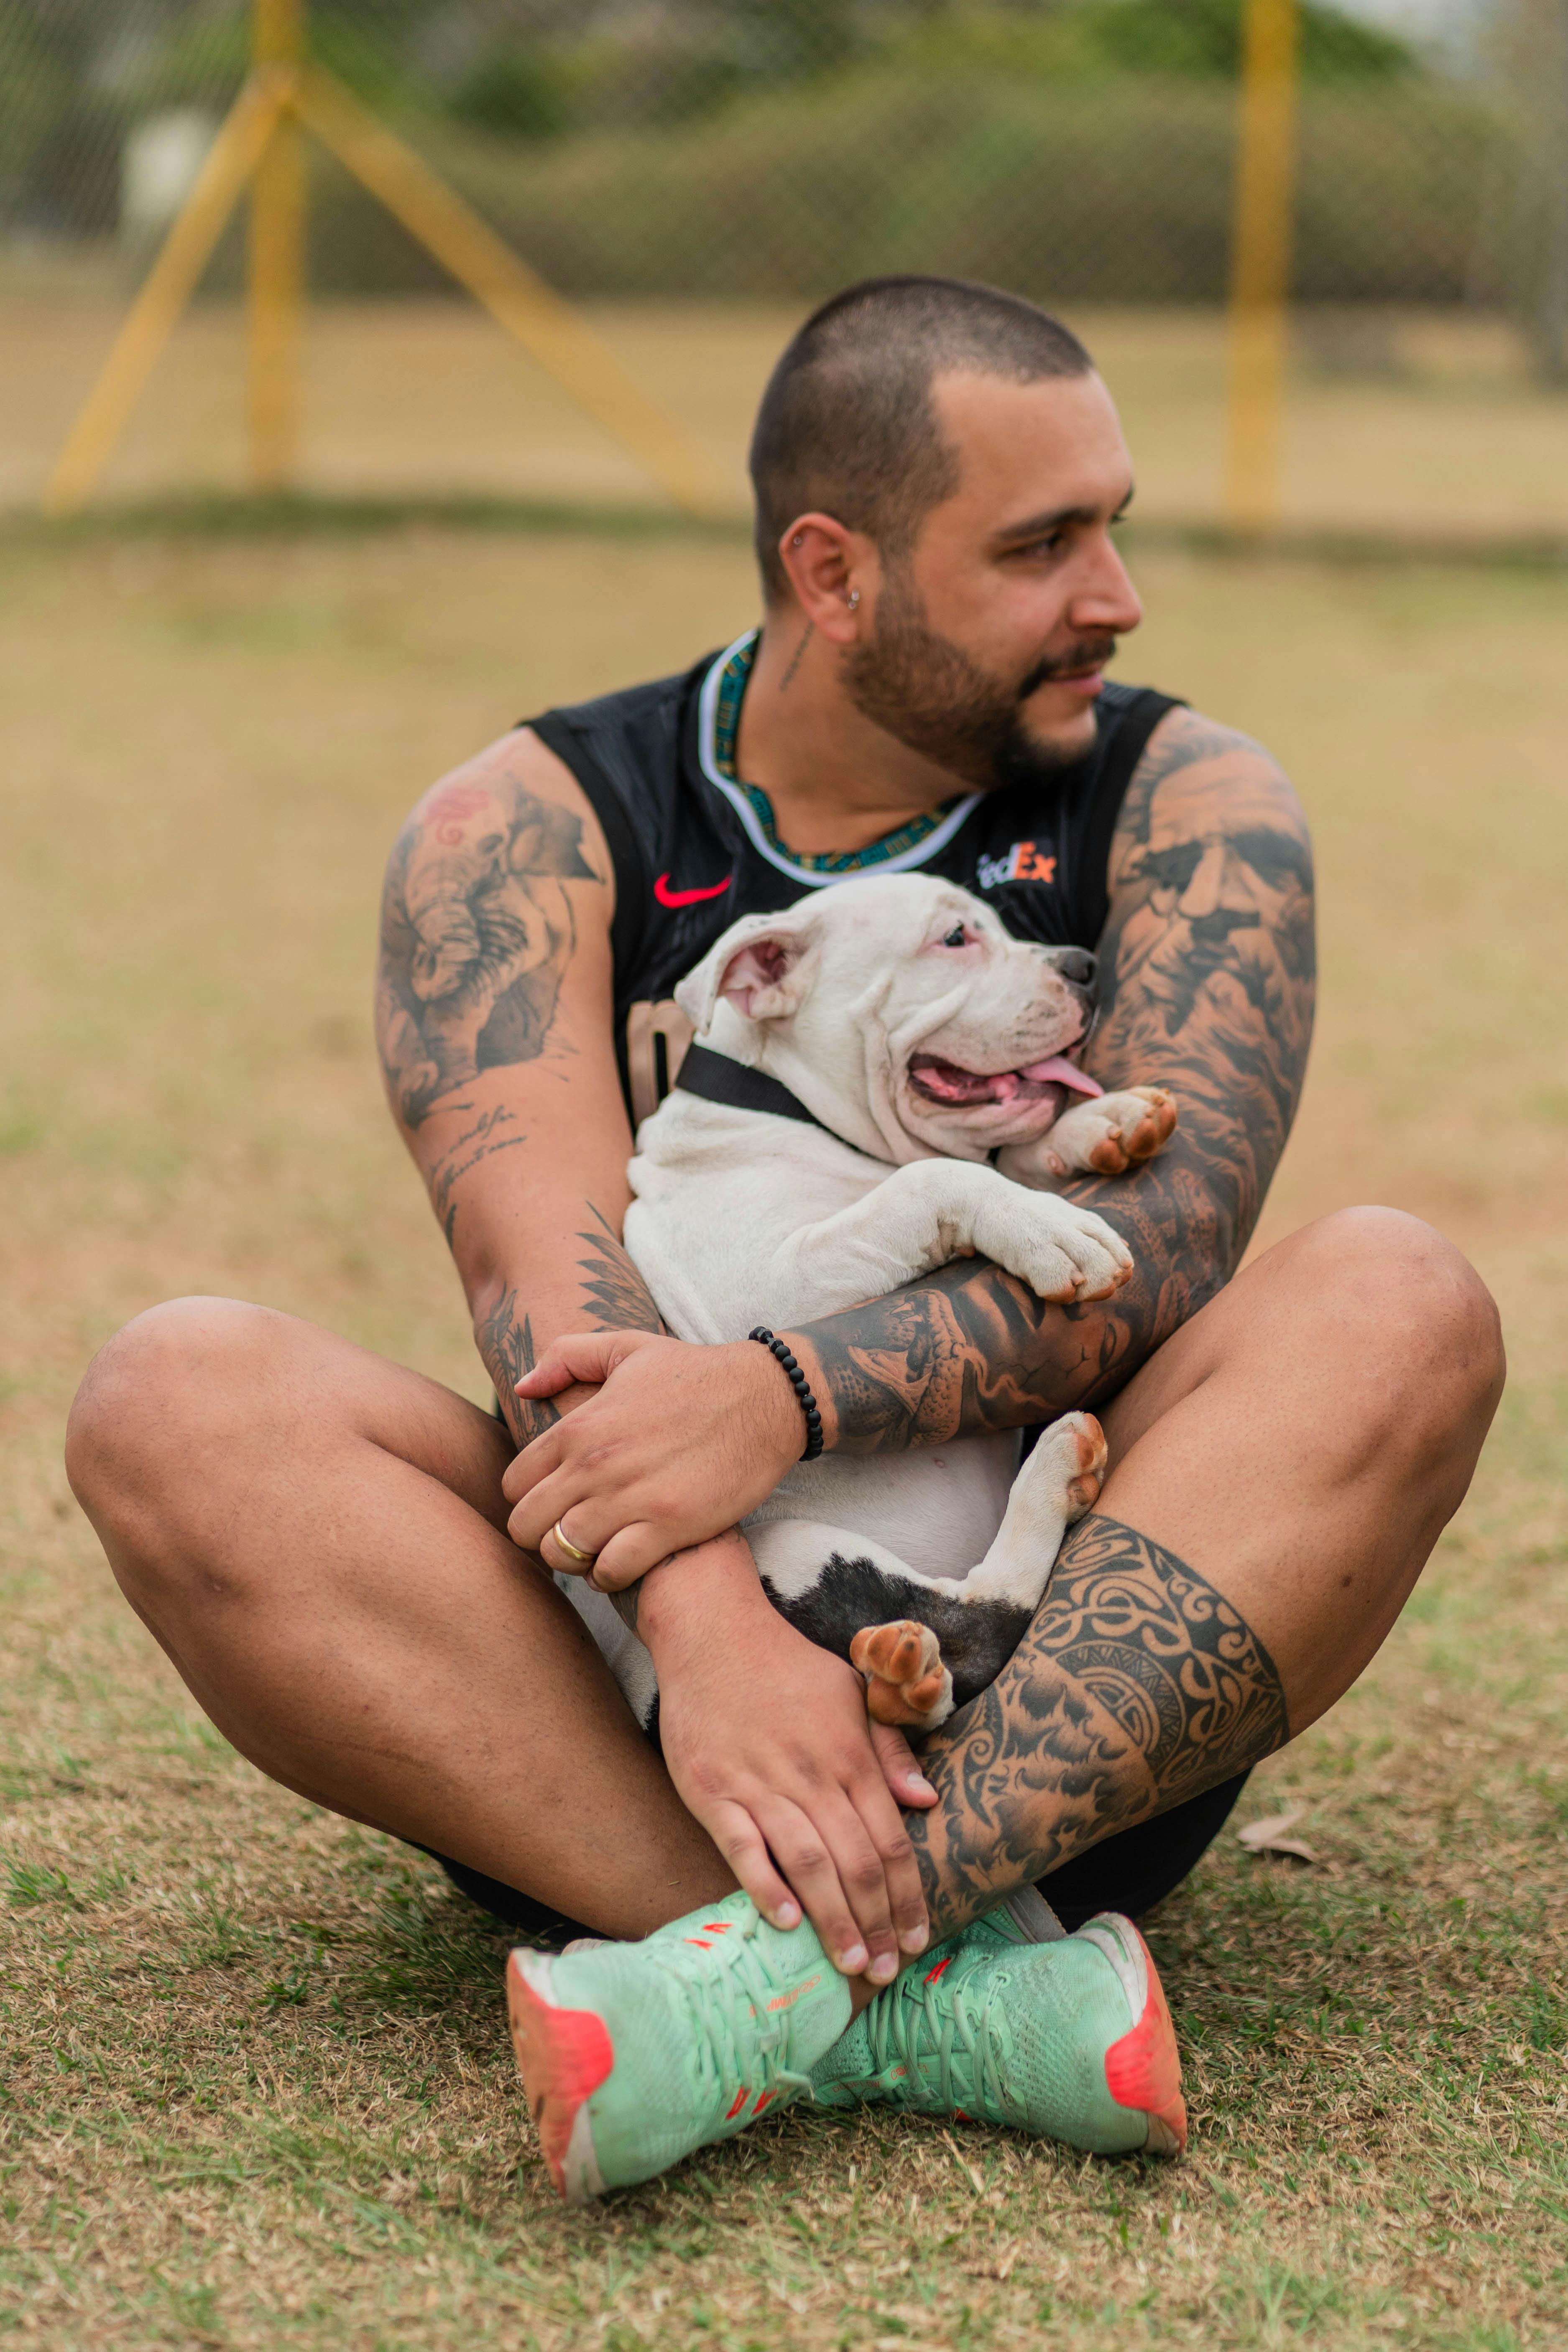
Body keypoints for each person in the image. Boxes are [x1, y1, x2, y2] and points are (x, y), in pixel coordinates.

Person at [66, 278, 1502, 2190]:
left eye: (1114, 527)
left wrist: (780, 1402)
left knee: (1398, 1295)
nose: (1114, 596)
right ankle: (957, 1980)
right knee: (175, 1398)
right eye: (1037, 545)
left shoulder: (1189, 800)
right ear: (832, 570)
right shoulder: (533, 825)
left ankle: (752, 1977)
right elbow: (544, 1295)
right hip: (647, 1700)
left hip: (1057, 1681)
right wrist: (706, 1623)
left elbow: (1145, 1263)